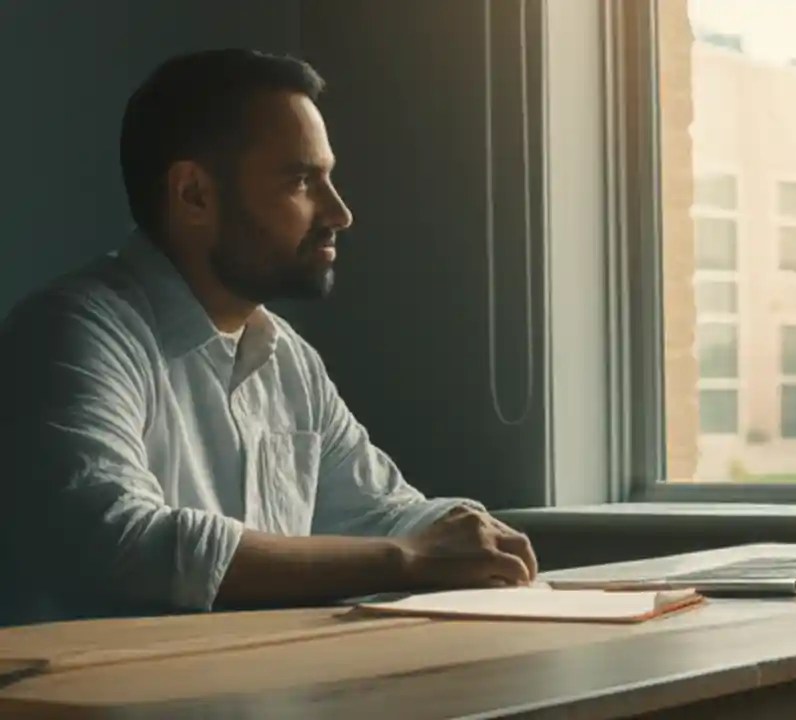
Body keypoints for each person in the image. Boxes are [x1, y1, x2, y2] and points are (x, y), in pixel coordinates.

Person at [0, 49, 536, 626]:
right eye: (302, 181)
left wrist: (460, 531)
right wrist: (406, 558)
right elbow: (118, 539)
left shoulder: (289, 362)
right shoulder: (71, 334)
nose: (340, 213)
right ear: (193, 195)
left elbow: (380, 513)